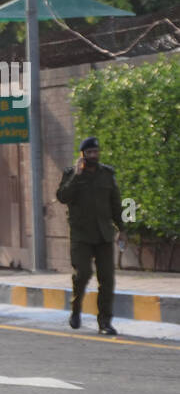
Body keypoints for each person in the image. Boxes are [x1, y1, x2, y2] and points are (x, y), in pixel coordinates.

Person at [56, 136, 124, 334]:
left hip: (103, 234)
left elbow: (115, 203)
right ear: (82, 155)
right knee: (83, 274)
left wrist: (122, 229)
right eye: (89, 153)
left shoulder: (107, 174)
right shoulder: (71, 174)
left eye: (96, 152)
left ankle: (104, 322)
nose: (93, 155)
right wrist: (76, 176)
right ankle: (76, 309)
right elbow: (62, 197)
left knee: (107, 279)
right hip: (81, 235)